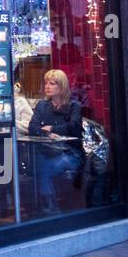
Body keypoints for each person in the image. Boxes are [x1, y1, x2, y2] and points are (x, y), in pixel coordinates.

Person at [27, 69, 84, 213]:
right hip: (47, 150)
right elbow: (32, 127)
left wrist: (52, 128)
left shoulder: (74, 106)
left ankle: (50, 205)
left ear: (62, 86)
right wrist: (46, 133)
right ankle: (44, 204)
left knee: (43, 167)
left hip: (70, 152)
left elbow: (74, 127)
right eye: (46, 83)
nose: (47, 86)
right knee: (36, 162)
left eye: (52, 83)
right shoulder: (42, 105)